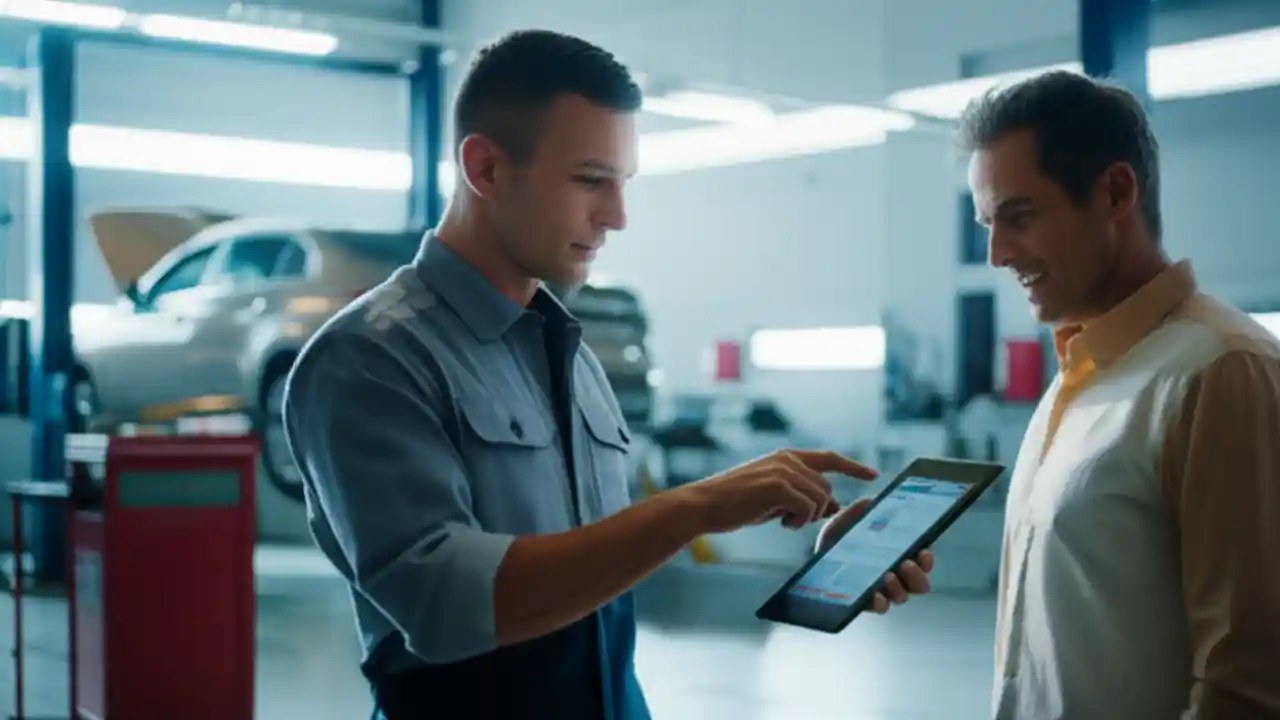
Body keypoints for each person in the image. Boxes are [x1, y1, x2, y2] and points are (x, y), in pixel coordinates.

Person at [283, 29, 933, 720]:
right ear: (487, 169)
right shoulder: (369, 360)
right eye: (591, 181)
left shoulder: (571, 355)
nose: (617, 217)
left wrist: (822, 561)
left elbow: (600, 575)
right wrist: (697, 506)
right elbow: (447, 607)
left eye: (621, 185)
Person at [955, 70, 1280, 719]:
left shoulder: (1218, 372)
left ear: (1114, 192)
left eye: (1018, 216)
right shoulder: (1081, 374)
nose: (996, 254)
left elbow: (1245, 683)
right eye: (988, 223)